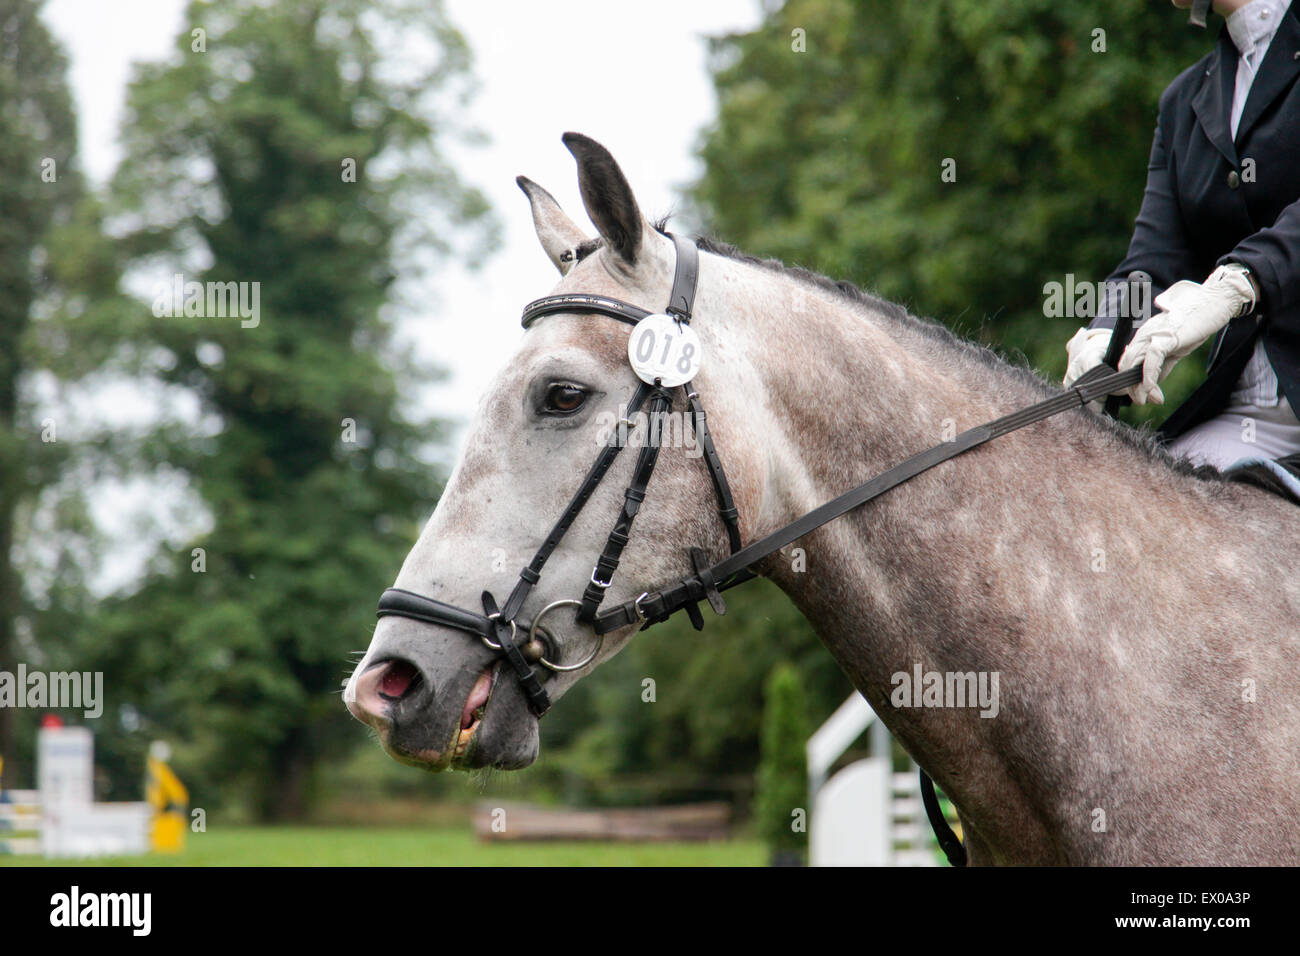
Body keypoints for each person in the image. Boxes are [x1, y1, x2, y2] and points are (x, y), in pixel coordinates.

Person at [1063, 0, 1300, 474]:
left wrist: (1241, 280)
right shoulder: (1184, 100)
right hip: (1249, 417)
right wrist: (1107, 332)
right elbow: (1153, 260)